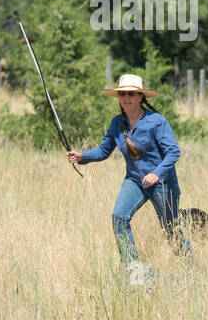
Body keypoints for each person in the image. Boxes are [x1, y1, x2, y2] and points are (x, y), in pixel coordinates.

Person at [66, 74, 192, 266]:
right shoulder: (117, 123)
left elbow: (173, 152)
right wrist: (82, 156)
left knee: (170, 228)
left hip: (162, 183)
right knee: (119, 217)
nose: (126, 98)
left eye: (131, 94)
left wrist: (157, 173)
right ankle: (133, 270)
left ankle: (193, 270)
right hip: (135, 181)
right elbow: (103, 151)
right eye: (122, 94)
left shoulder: (157, 121)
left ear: (140, 97)